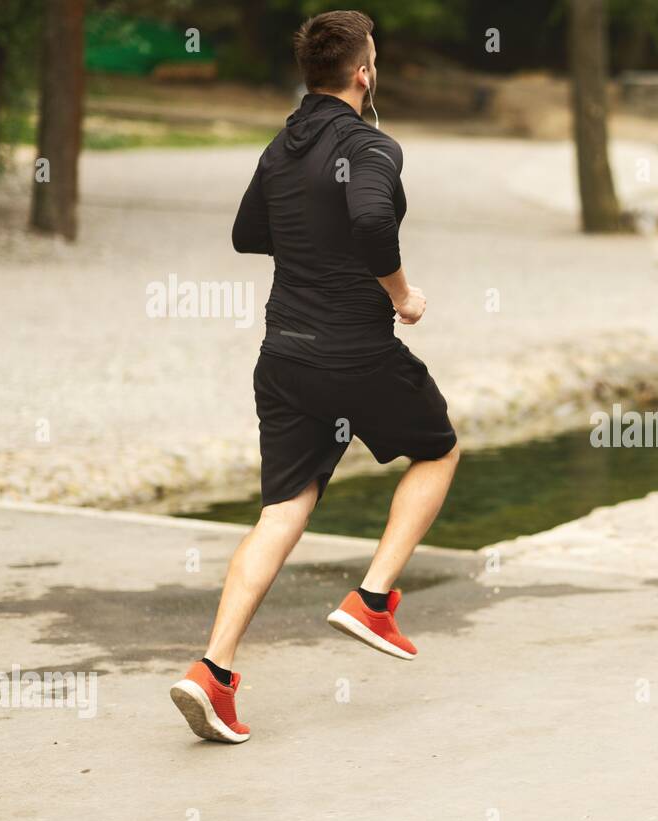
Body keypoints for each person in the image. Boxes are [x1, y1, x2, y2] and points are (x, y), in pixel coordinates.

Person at [169, 10, 459, 744]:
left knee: (285, 507)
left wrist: (306, 236)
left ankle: (214, 671)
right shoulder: (370, 145)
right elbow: (370, 224)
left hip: (285, 357)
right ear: (363, 72)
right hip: (354, 352)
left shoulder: (282, 145)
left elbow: (247, 234)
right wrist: (402, 295)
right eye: (376, 61)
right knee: (439, 448)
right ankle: (372, 598)